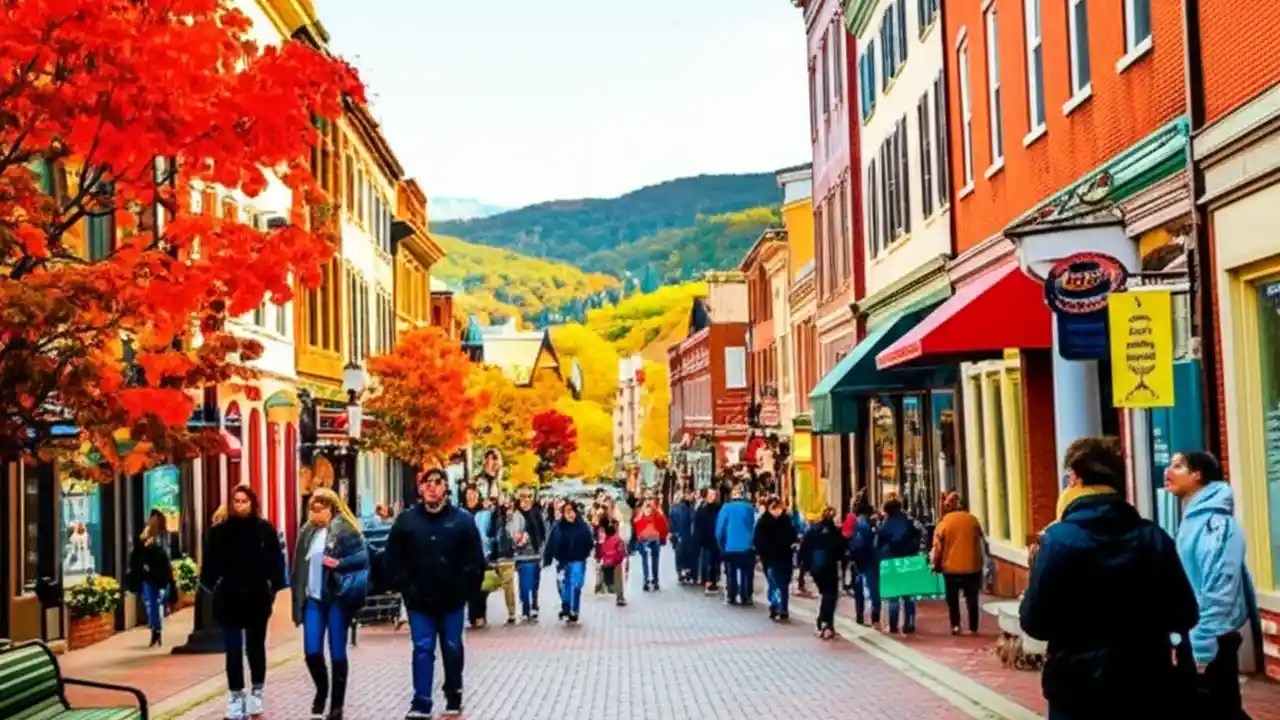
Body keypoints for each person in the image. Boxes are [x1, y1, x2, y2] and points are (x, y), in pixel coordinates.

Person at [1020, 437, 1199, 720]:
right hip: (1146, 686)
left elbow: (1034, 622)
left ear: (1075, 478)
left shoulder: (1056, 541)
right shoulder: (1153, 537)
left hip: (1076, 691)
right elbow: (1185, 614)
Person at [1165, 451, 1258, 718]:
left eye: (1179, 466)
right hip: (1193, 641)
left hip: (1208, 645)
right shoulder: (1190, 522)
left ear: (1198, 475)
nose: (1168, 471)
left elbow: (1219, 590)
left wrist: (1202, 650)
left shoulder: (1216, 526)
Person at [386, 468, 485, 719]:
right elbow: (393, 558)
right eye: (426, 483)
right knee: (422, 648)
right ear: (420, 488)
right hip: (419, 600)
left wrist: (465, 588)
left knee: (451, 648)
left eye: (437, 482)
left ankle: (454, 692)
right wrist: (405, 587)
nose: (431, 487)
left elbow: (475, 560)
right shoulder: (406, 521)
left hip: (452, 599)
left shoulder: (462, 521)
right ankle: (421, 701)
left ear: (445, 488)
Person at [200, 484, 284, 720]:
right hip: (229, 597)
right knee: (233, 649)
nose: (239, 505)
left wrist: (273, 586)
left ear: (252, 503)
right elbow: (210, 564)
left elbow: (276, 562)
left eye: (244, 501)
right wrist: (211, 585)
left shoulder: (264, 530)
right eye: (235, 501)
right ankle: (235, 696)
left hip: (257, 597)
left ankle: (257, 692)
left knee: (255, 647)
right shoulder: (220, 532)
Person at [291, 488, 369, 720]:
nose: (316, 513)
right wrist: (297, 602)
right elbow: (297, 569)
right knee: (312, 651)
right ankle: (322, 690)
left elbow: (362, 558)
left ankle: (336, 705)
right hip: (313, 597)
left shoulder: (346, 529)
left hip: (337, 597)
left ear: (332, 509)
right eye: (312, 509)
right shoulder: (306, 533)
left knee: (337, 652)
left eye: (321, 508)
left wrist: (338, 563)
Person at [931, 491, 986, 636]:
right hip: (972, 566)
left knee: (952, 599)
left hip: (951, 568)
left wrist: (935, 564)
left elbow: (938, 548)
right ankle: (973, 627)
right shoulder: (973, 520)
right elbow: (980, 539)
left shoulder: (944, 523)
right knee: (972, 598)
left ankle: (955, 625)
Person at [127, 509, 176, 648]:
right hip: (151, 575)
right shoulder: (147, 536)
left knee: (153, 602)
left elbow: (163, 555)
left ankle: (156, 629)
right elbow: (138, 555)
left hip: (156, 575)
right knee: (151, 602)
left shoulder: (160, 537)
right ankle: (156, 628)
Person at [542, 501, 594, 624]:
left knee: (576, 585)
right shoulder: (558, 527)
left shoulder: (582, 526)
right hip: (562, 561)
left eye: (572, 511)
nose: (570, 514)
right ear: (563, 514)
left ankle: (574, 610)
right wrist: (547, 559)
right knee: (563, 586)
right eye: (567, 512)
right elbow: (551, 543)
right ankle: (566, 606)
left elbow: (589, 541)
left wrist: (586, 552)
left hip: (578, 560)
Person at [877, 496, 920, 634]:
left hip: (891, 562)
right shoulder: (908, 523)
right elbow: (917, 538)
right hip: (907, 561)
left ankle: (893, 625)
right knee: (908, 594)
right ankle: (909, 623)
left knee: (893, 595)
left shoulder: (885, 526)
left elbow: (879, 544)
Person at [799, 506, 844, 639]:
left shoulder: (812, 531)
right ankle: (826, 623)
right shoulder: (834, 531)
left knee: (826, 594)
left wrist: (805, 568)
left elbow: (804, 550)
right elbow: (841, 549)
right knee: (831, 594)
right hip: (830, 566)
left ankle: (824, 622)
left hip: (816, 568)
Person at [753, 496, 797, 621]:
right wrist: (761, 554)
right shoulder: (763, 522)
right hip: (770, 558)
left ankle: (783, 608)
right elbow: (758, 540)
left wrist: (793, 544)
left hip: (784, 557)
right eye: (773, 508)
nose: (777, 511)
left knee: (783, 584)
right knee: (774, 583)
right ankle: (775, 605)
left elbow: (793, 536)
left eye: (778, 508)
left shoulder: (786, 520)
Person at [716, 485, 757, 606]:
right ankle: (746, 595)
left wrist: (721, 543)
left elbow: (720, 528)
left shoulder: (726, 508)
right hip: (746, 546)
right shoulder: (749, 508)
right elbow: (752, 526)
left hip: (730, 546)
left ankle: (731, 595)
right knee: (747, 572)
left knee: (731, 572)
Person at [512, 489, 547, 621]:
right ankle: (526, 608)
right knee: (524, 584)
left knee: (534, 582)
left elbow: (543, 533)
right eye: (522, 497)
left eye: (528, 497)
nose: (526, 500)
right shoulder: (515, 515)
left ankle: (534, 604)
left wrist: (542, 550)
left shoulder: (536, 514)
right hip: (522, 555)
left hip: (535, 554)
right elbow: (511, 533)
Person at [486, 495, 519, 625]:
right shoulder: (495, 515)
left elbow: (518, 533)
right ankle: (480, 614)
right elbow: (490, 533)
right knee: (488, 585)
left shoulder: (516, 517)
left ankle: (511, 612)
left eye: (509, 502)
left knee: (508, 586)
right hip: (496, 557)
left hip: (508, 557)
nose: (507, 504)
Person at [847, 502, 881, 627]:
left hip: (857, 561)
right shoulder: (867, 526)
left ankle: (859, 615)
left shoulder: (854, 524)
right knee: (874, 591)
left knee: (858, 590)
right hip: (869, 561)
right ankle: (875, 617)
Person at [466, 492, 492, 629]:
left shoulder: (485, 514)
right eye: (469, 496)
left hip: (482, 553)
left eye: (474, 496)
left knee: (482, 587)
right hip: (465, 555)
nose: (471, 499)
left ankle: (480, 614)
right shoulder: (461, 514)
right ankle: (473, 616)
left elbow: (492, 530)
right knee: (469, 587)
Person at [633, 500, 669, 592]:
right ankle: (650, 581)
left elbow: (664, 525)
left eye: (649, 507)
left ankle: (651, 581)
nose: (648, 510)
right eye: (646, 507)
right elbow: (636, 524)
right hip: (647, 540)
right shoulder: (644, 515)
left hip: (652, 539)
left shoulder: (654, 514)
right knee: (649, 560)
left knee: (651, 560)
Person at [694, 488, 722, 593]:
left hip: (715, 539)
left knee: (715, 561)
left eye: (713, 495)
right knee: (706, 560)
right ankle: (705, 579)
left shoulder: (718, 508)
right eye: (710, 495)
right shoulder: (701, 509)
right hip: (705, 539)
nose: (712, 497)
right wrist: (698, 538)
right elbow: (697, 525)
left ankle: (713, 580)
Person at [597, 521, 628, 607]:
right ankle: (620, 597)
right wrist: (621, 559)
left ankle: (602, 588)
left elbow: (601, 553)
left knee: (608, 579)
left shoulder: (604, 541)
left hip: (607, 563)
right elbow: (622, 551)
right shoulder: (618, 540)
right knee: (618, 580)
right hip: (616, 563)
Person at [668, 491, 696, 584]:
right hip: (688, 536)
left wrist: (673, 535)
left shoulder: (674, 509)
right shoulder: (690, 508)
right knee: (688, 555)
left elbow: (671, 524)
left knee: (679, 556)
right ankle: (688, 571)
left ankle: (680, 573)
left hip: (678, 535)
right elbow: (693, 520)